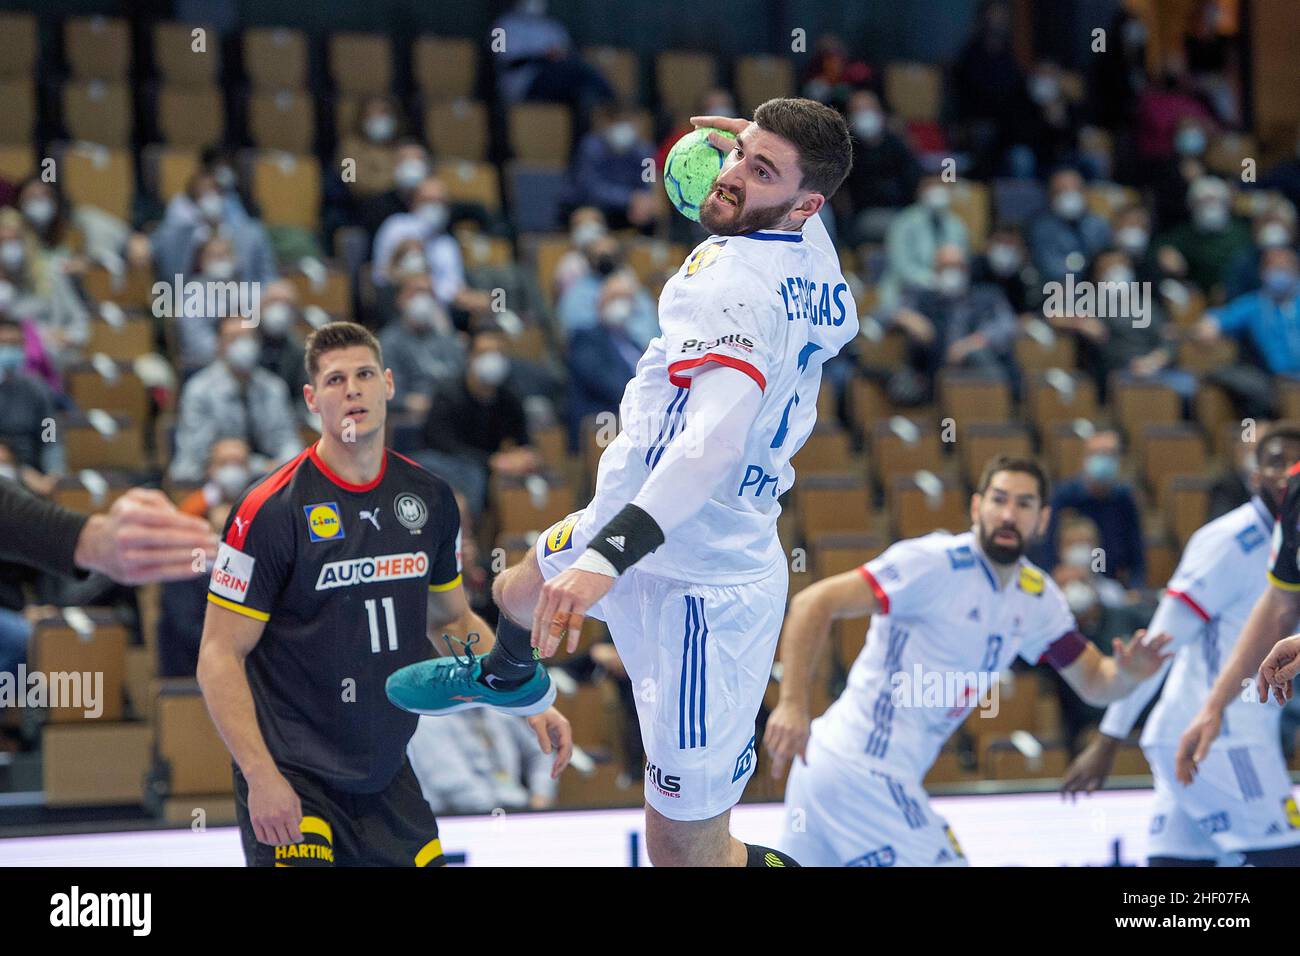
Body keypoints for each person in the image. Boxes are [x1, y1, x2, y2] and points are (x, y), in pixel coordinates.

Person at [388, 100, 861, 868]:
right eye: (741, 153)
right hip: (635, 516)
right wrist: (753, 134)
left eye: (760, 168)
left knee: (683, 845)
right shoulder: (809, 243)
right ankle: (508, 674)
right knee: (515, 589)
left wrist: (602, 561)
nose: (733, 172)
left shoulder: (735, 286)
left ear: (805, 203)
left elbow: (708, 449)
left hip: (703, 580)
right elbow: (793, 172)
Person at [196, 321, 571, 867]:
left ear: (389, 384)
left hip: (386, 768)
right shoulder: (269, 510)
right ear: (311, 400)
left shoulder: (431, 498)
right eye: (335, 379)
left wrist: (525, 700)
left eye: (365, 374)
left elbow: (450, 620)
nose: (352, 389)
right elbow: (217, 655)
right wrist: (259, 775)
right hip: (295, 772)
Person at [766, 456, 1170, 866]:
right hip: (858, 769)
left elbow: (1095, 682)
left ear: (1043, 519)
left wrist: (1129, 673)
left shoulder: (1037, 597)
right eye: (1000, 500)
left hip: (845, 773)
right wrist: (793, 704)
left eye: (1024, 504)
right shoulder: (933, 562)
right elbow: (813, 602)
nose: (1009, 514)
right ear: (978, 508)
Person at [1062, 424, 1300, 866]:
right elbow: (1158, 644)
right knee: (1287, 856)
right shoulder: (1227, 542)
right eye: (1273, 462)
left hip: (1227, 731)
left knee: (1178, 865)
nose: (1285, 473)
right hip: (1218, 736)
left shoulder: (1291, 535)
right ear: (1253, 475)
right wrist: (1109, 738)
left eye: (1294, 462)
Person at [416, 328, 540, 515]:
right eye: (484, 353)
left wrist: (525, 456)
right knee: (472, 476)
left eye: (498, 353)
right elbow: (441, 442)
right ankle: (466, 537)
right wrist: (492, 461)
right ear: (470, 357)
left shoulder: (509, 398)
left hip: (486, 466)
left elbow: (523, 439)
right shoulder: (448, 394)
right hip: (446, 462)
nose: (492, 359)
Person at [169, 316, 302, 484]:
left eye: (248, 338)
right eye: (233, 338)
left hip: (267, 480)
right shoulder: (199, 389)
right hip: (213, 480)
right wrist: (257, 465)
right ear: (219, 344)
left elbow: (287, 442)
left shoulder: (273, 387)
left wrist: (282, 464)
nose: (243, 345)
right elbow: (197, 455)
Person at [1036, 428, 1146, 588]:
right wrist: (1054, 576)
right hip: (1066, 582)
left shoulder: (1125, 499)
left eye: (1110, 454)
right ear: (1084, 458)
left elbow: (1136, 553)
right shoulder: (1064, 496)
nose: (1104, 459)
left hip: (1108, 583)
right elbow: (1048, 548)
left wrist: (1135, 588)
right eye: (1098, 453)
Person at [407, 708, 561, 814]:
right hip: (460, 820)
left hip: (513, 812)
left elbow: (541, 753)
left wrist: (541, 796)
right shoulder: (430, 721)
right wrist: (511, 818)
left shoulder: (498, 714)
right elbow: (456, 787)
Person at [1028, 168, 1110, 285]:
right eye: (1061, 191)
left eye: (1074, 189)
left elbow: (1108, 260)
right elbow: (1050, 269)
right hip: (1058, 288)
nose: (1069, 196)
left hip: (1097, 287)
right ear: (1050, 196)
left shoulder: (1098, 224)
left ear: (1084, 192)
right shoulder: (1041, 228)